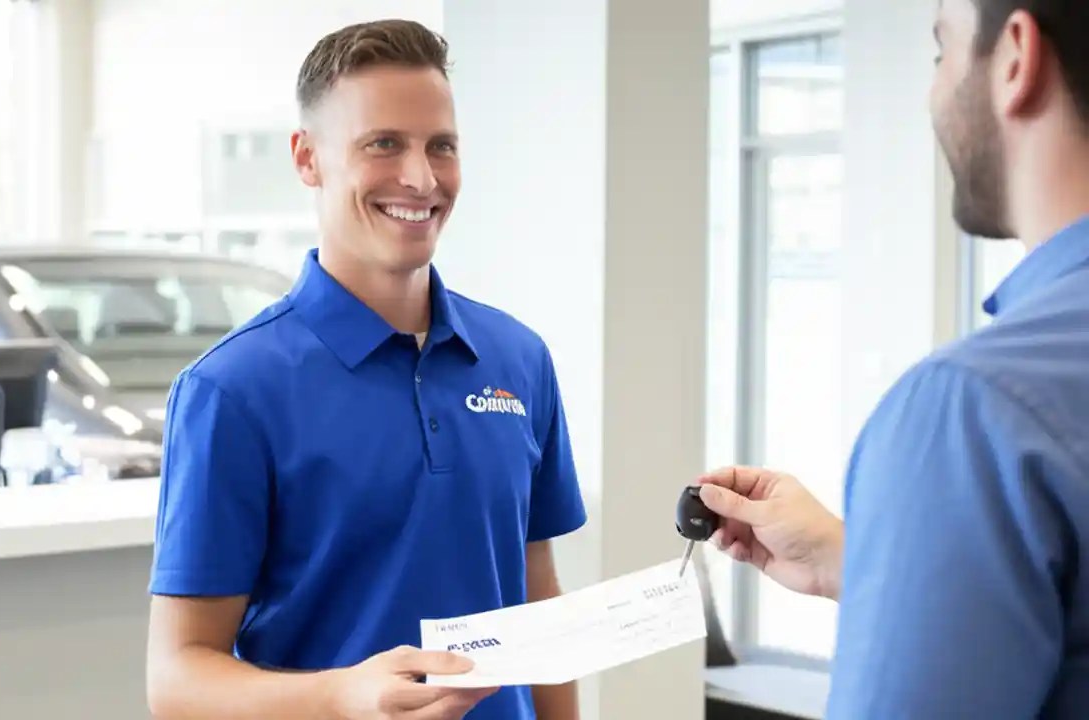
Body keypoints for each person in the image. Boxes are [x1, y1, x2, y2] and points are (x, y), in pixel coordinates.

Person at [144, 18, 587, 720]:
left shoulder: (519, 360)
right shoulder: (231, 390)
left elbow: (537, 601)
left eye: (441, 147)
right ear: (307, 158)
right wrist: (341, 696)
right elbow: (176, 682)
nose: (421, 177)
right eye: (384, 145)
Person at [695, 0, 1089, 716]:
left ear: (1015, 59)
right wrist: (870, 563)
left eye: (942, 52)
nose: (935, 92)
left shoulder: (975, 410)